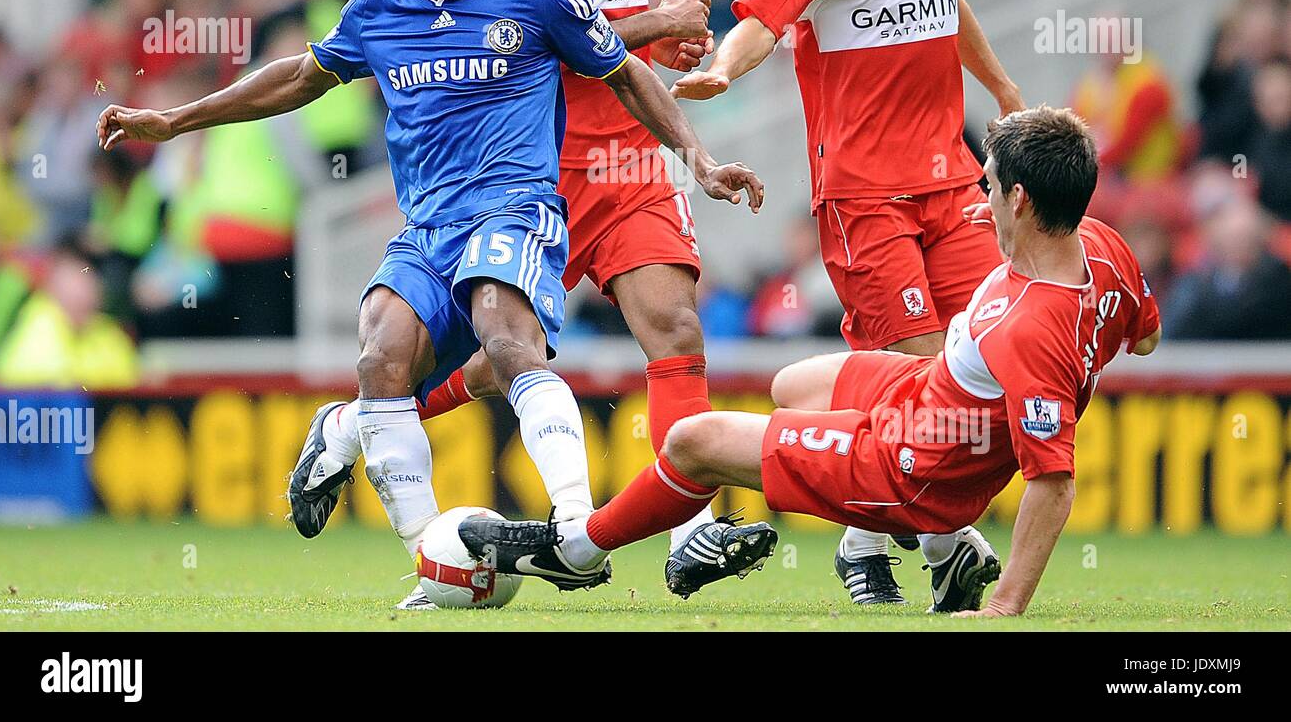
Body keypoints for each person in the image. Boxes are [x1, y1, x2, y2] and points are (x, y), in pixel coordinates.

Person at [95, 0, 764, 608]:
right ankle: (436, 561)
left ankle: (575, 527)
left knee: (503, 336)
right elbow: (297, 77)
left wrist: (699, 160)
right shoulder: (377, 8)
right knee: (381, 356)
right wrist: (176, 119)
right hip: (428, 227)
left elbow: (625, 72)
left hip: (517, 207)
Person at [461, 107, 1162, 616]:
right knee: (790, 384)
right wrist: (1011, 239)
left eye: (988, 187)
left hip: (913, 463)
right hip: (928, 386)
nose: (976, 197)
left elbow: (1053, 482)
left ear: (1022, 199)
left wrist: (1007, 605)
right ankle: (945, 557)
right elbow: (1146, 334)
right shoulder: (1101, 247)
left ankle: (578, 548)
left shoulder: (1031, 327)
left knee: (691, 441)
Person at [670, 0, 1024, 604]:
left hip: (953, 185)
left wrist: (1003, 91)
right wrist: (723, 69)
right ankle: (897, 548)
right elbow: (762, 20)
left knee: (985, 370)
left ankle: (897, 542)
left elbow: (948, 5)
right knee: (915, 379)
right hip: (864, 200)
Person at [416, 0, 729, 554]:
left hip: (627, 164)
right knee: (508, 350)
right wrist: (660, 21)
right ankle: (382, 415)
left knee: (676, 329)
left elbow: (604, 34)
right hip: (549, 167)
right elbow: (542, 39)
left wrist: (660, 50)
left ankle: (689, 531)